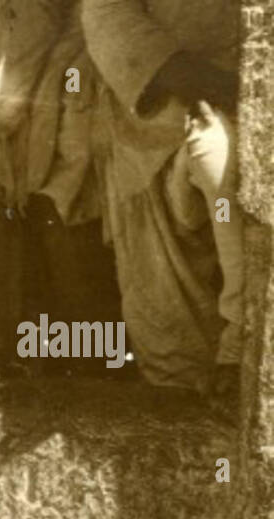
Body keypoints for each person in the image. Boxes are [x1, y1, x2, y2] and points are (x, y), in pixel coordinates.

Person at [82, 0, 243, 397]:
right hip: (157, 125)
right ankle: (184, 393)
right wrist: (223, 88)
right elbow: (109, 18)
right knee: (163, 308)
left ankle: (242, 344)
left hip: (244, 116)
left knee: (224, 174)